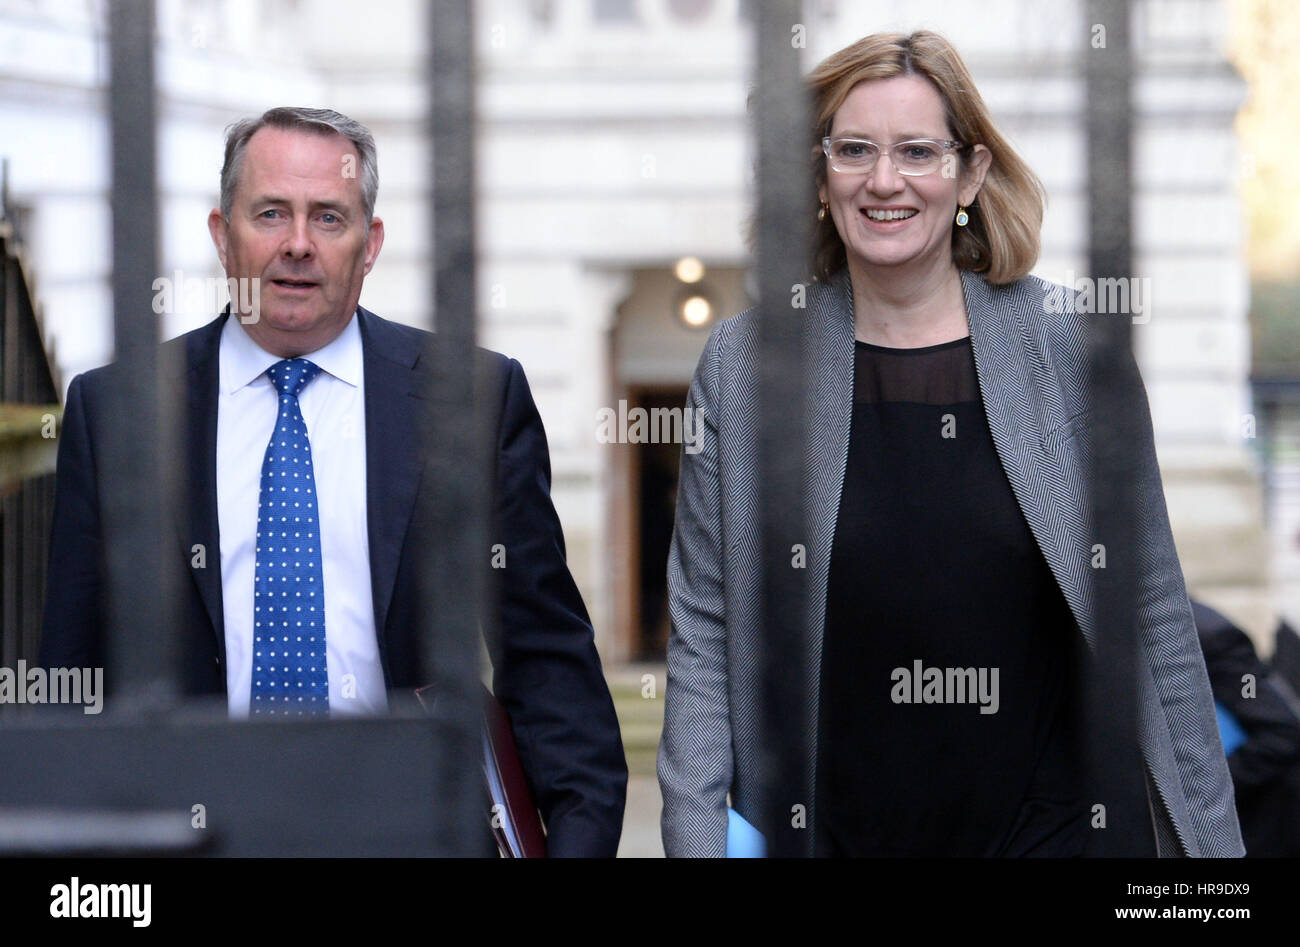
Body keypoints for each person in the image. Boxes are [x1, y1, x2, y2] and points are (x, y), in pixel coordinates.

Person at [658, 31, 1244, 857]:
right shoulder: (746, 366)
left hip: (1058, 832)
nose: (884, 180)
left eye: (918, 151)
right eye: (854, 149)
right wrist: (693, 840)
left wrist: (1216, 869)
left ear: (969, 173)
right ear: (821, 174)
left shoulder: (1073, 354)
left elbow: (1153, 615)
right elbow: (705, 627)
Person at [39, 106, 627, 857]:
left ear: (370, 243)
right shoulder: (117, 411)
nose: (297, 245)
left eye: (328, 217)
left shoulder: (472, 402)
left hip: (412, 832)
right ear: (223, 235)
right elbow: (72, 678)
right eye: (271, 213)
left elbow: (548, 664)